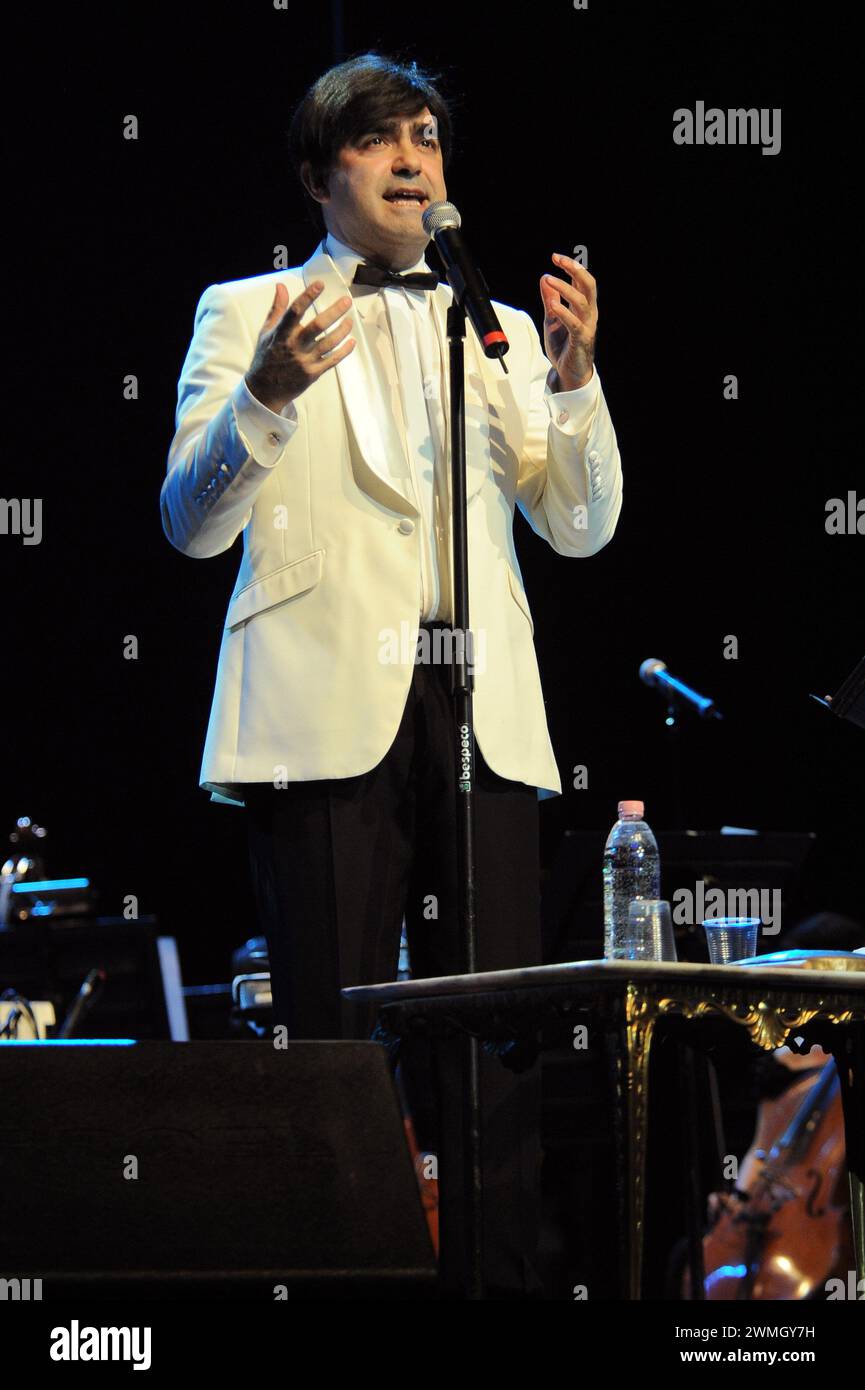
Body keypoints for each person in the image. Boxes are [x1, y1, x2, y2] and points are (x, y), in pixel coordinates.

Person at [161, 51, 623, 1298]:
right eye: (380, 139)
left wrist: (574, 388)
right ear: (322, 173)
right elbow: (188, 523)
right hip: (322, 708)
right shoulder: (244, 312)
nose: (414, 156)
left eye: (426, 135)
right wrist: (265, 394)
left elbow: (577, 529)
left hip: (480, 707)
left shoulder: (499, 326)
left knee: (496, 1053)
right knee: (334, 1039)